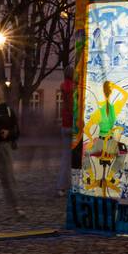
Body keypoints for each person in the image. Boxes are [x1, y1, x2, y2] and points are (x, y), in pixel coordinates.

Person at [0, 82, 24, 219]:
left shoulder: (7, 110)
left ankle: (15, 207)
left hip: (3, 148)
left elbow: (16, 130)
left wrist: (9, 134)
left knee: (8, 179)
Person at [57, 63, 75, 196]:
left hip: (65, 124)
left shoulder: (62, 86)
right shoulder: (76, 88)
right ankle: (74, 185)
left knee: (65, 157)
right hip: (74, 125)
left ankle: (62, 187)